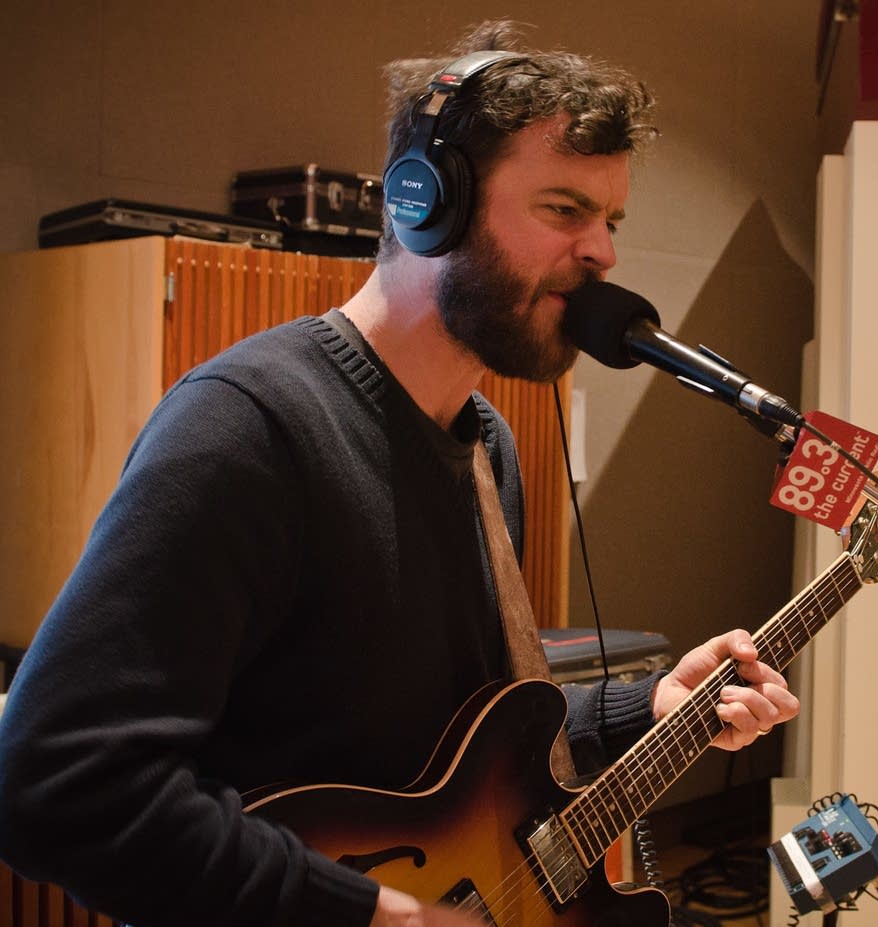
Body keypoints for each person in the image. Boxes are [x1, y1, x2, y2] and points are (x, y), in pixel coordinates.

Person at [0, 21, 798, 927]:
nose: (603, 253)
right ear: (428, 205)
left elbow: (455, 763)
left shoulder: (486, 450)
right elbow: (58, 783)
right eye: (564, 209)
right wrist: (379, 914)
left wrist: (649, 705)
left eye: (609, 220)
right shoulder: (248, 427)